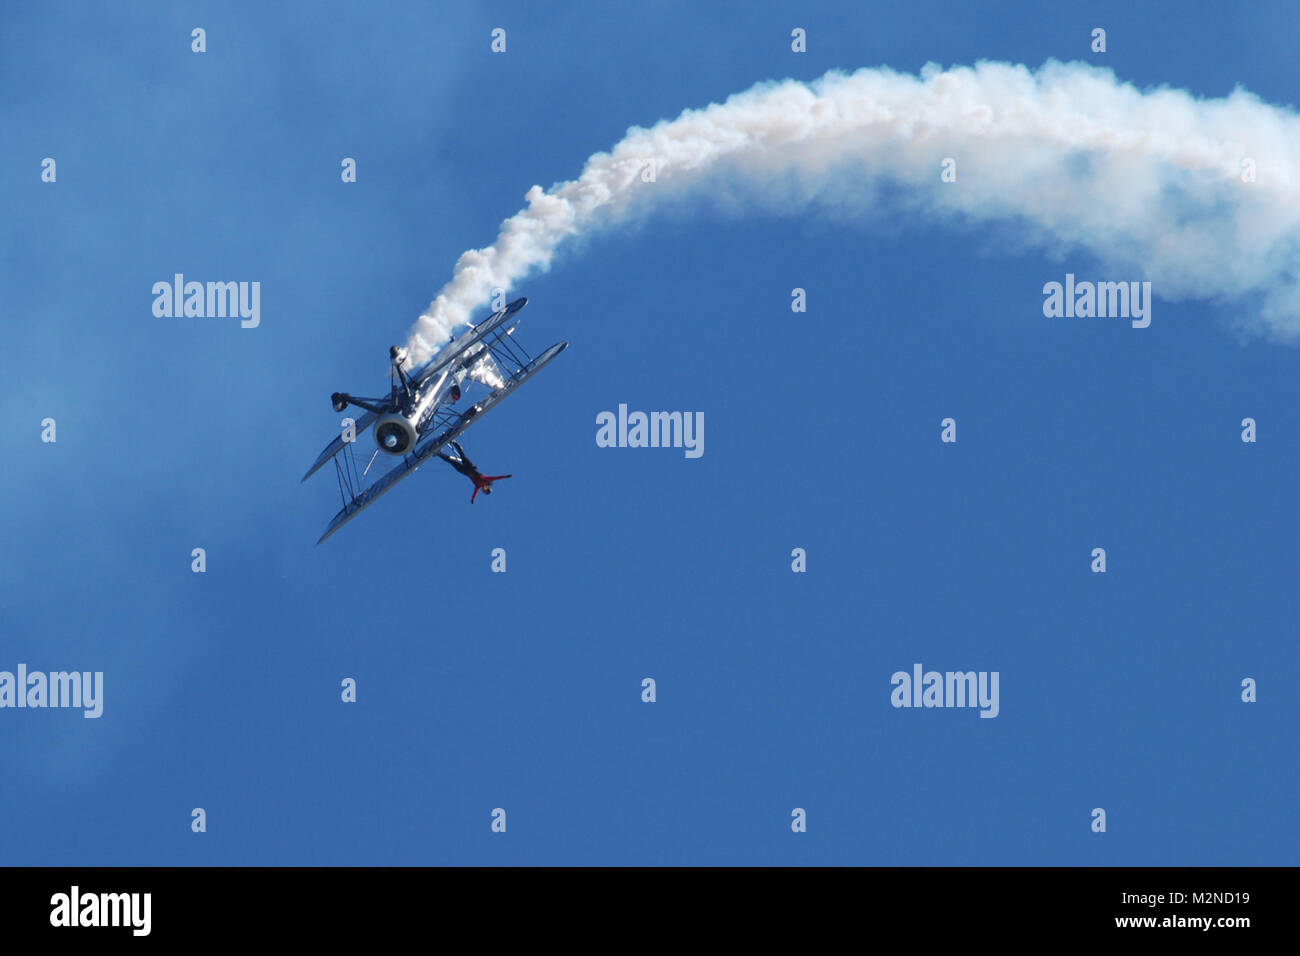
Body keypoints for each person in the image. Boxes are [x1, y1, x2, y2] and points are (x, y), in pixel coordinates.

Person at [438, 441, 512, 503]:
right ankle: (454, 442)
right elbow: (497, 478)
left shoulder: (478, 486)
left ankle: (439, 454)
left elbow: (475, 493)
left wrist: (472, 500)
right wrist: (507, 476)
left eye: (483, 492)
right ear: (487, 488)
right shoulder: (486, 480)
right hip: (471, 468)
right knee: (463, 456)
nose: (482, 491)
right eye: (485, 491)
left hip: (466, 472)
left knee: (453, 463)